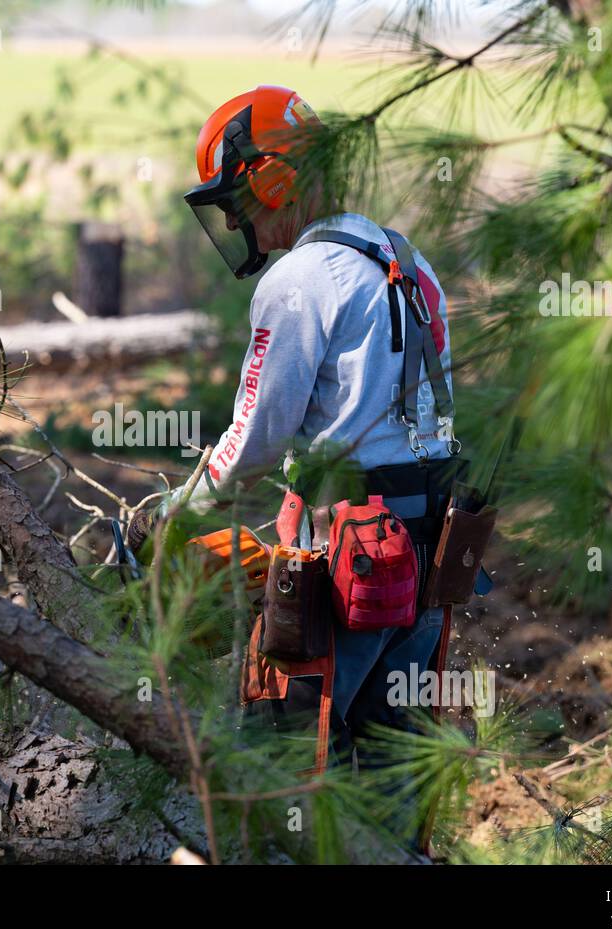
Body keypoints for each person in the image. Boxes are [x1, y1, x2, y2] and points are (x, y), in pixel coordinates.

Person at [132, 86, 469, 824]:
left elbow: (255, 440)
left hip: (351, 551)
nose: (234, 222)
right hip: (432, 541)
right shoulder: (406, 259)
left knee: (285, 750)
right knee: (395, 761)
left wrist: (177, 511)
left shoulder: (301, 279)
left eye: (236, 201)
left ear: (273, 178)